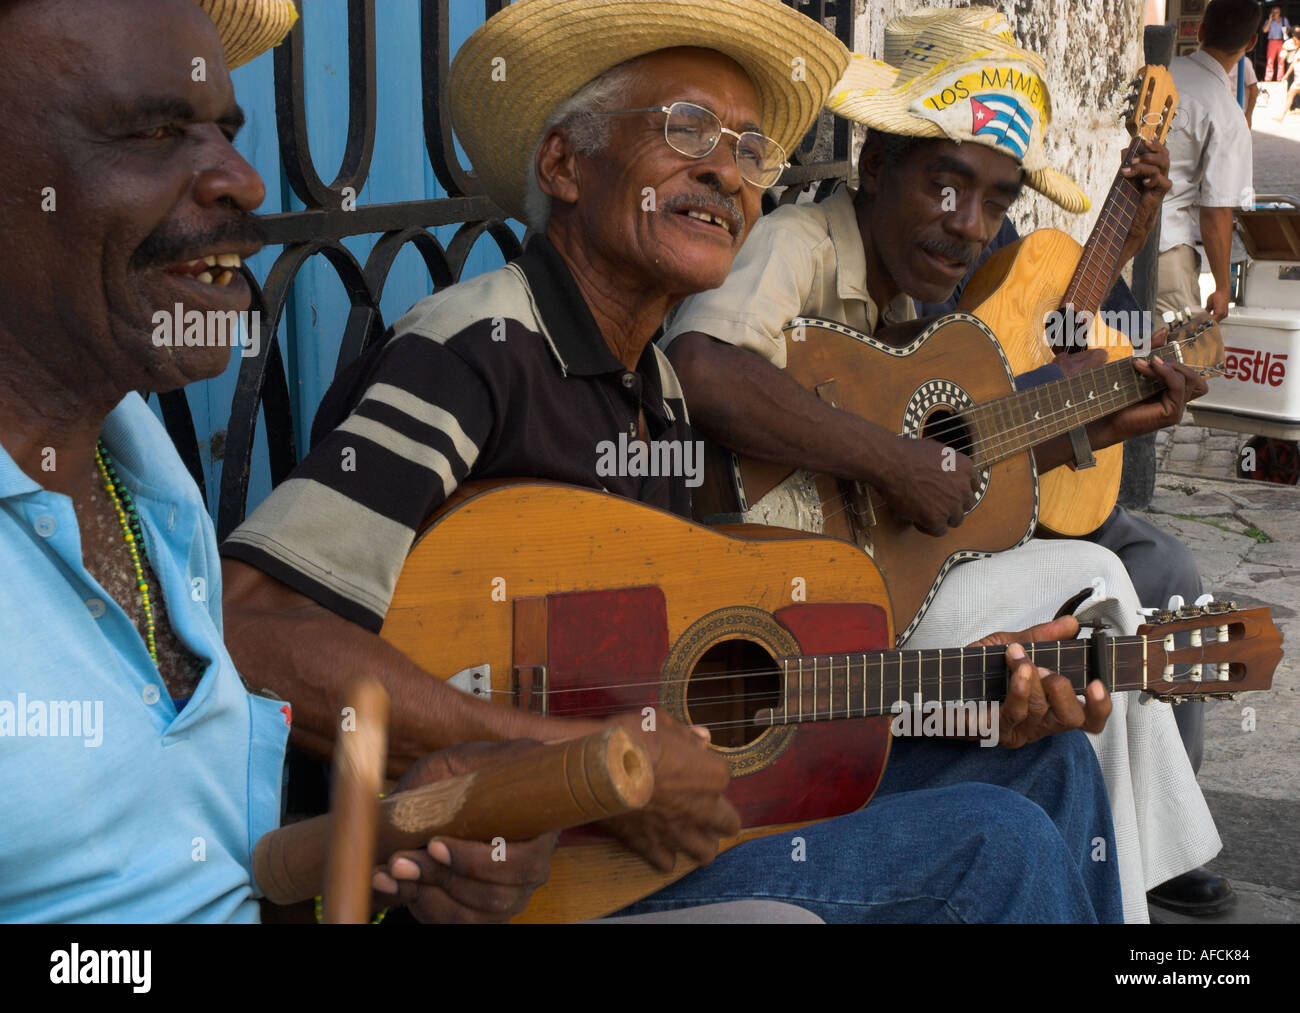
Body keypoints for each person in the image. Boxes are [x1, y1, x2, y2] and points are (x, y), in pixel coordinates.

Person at [221, 0, 1124, 923]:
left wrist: (967, 692)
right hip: (520, 878)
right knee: (995, 846)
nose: (725, 173)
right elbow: (253, 630)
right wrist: (584, 765)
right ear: (564, 164)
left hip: (638, 836)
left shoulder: (657, 386)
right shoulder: (477, 350)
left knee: (1048, 762)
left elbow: (692, 690)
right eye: (687, 128)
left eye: (748, 150)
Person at [0, 0, 557, 924]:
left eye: (225, 132)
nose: (247, 183)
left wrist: (391, 844)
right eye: (151, 131)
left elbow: (190, 874)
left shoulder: (138, 469)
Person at [661, 7, 1221, 922]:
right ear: (875, 166)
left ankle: (1112, 892)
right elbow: (702, 367)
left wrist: (1105, 422)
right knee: (1102, 580)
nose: (969, 224)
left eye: (997, 201)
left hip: (881, 584)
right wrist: (892, 461)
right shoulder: (796, 246)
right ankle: (1130, 909)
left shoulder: (928, 302)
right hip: (779, 615)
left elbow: (958, 452)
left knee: (1092, 650)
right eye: (946, 186)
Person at [1159, 0, 1260, 326]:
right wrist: (1222, 285)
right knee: (1180, 364)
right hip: (1165, 247)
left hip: (1107, 234)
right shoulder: (1228, 114)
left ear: (1200, 31)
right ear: (1251, 43)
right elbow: (1216, 212)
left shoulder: (1158, 70)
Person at [1262, 5, 1292, 80]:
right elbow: (1264, 30)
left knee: (1281, 60)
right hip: (1272, 41)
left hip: (1281, 42)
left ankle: (1280, 78)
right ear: (1271, 13)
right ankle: (1268, 79)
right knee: (1270, 60)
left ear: (1280, 13)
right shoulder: (1269, 21)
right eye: (1274, 12)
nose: (1275, 14)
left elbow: (1289, 29)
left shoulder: (1284, 20)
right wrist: (1269, 20)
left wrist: (1286, 31)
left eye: (1277, 12)